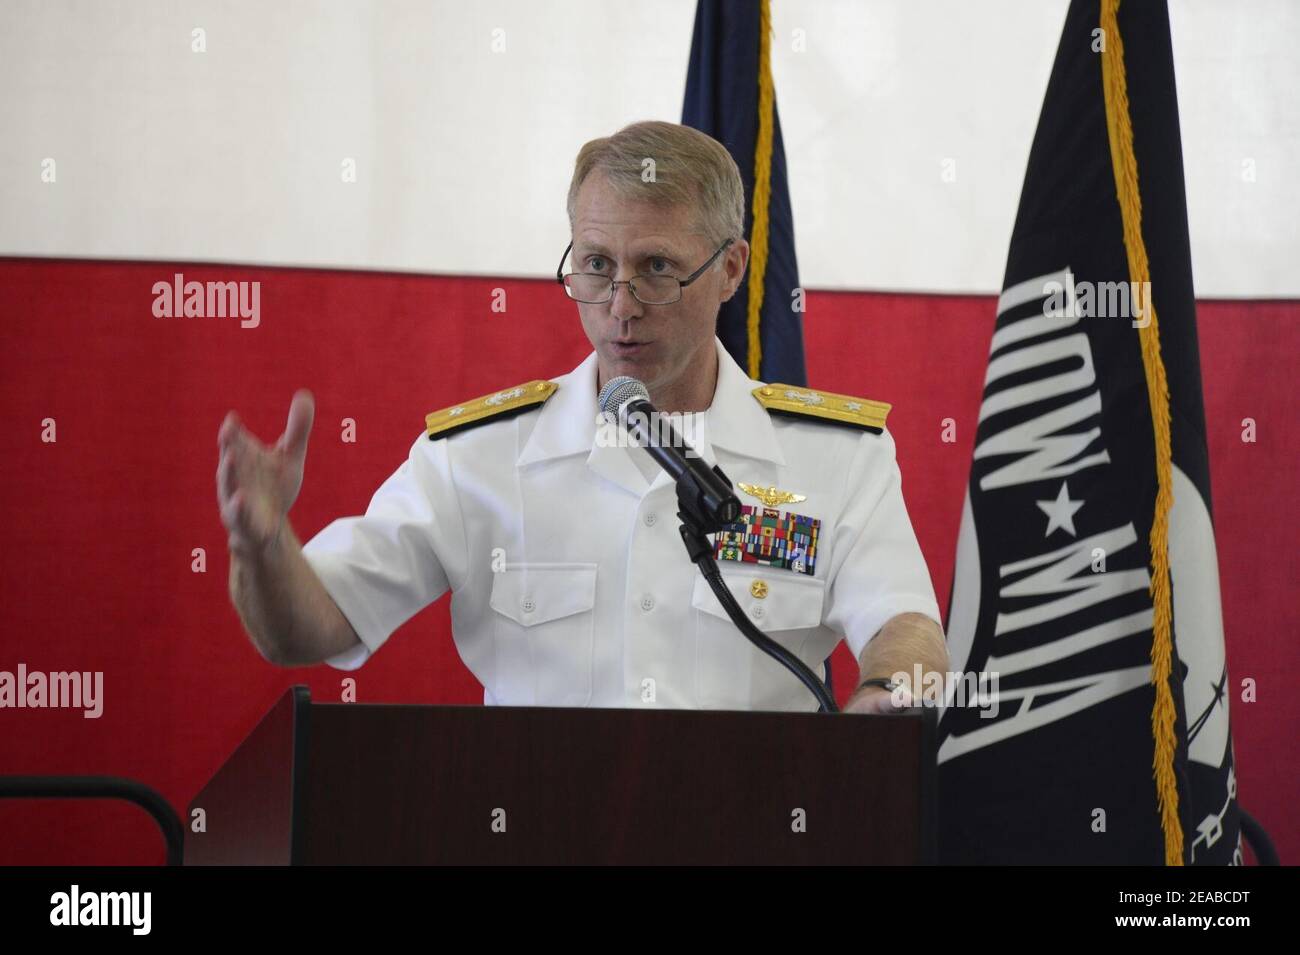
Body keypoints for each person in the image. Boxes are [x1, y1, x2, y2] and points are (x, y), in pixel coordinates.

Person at [216, 120, 948, 714]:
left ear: (731, 268)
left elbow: (908, 629)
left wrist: (882, 708)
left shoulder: (837, 458)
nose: (621, 304)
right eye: (596, 265)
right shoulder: (478, 456)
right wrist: (263, 544)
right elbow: (310, 624)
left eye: (657, 267)